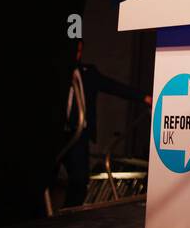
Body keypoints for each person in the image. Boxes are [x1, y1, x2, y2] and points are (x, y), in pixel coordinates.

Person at [55, 39, 150, 209]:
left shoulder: (88, 73)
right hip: (57, 134)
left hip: (79, 136)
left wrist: (143, 97)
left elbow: (113, 86)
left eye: (79, 51)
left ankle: (68, 214)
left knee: (79, 178)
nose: (77, 55)